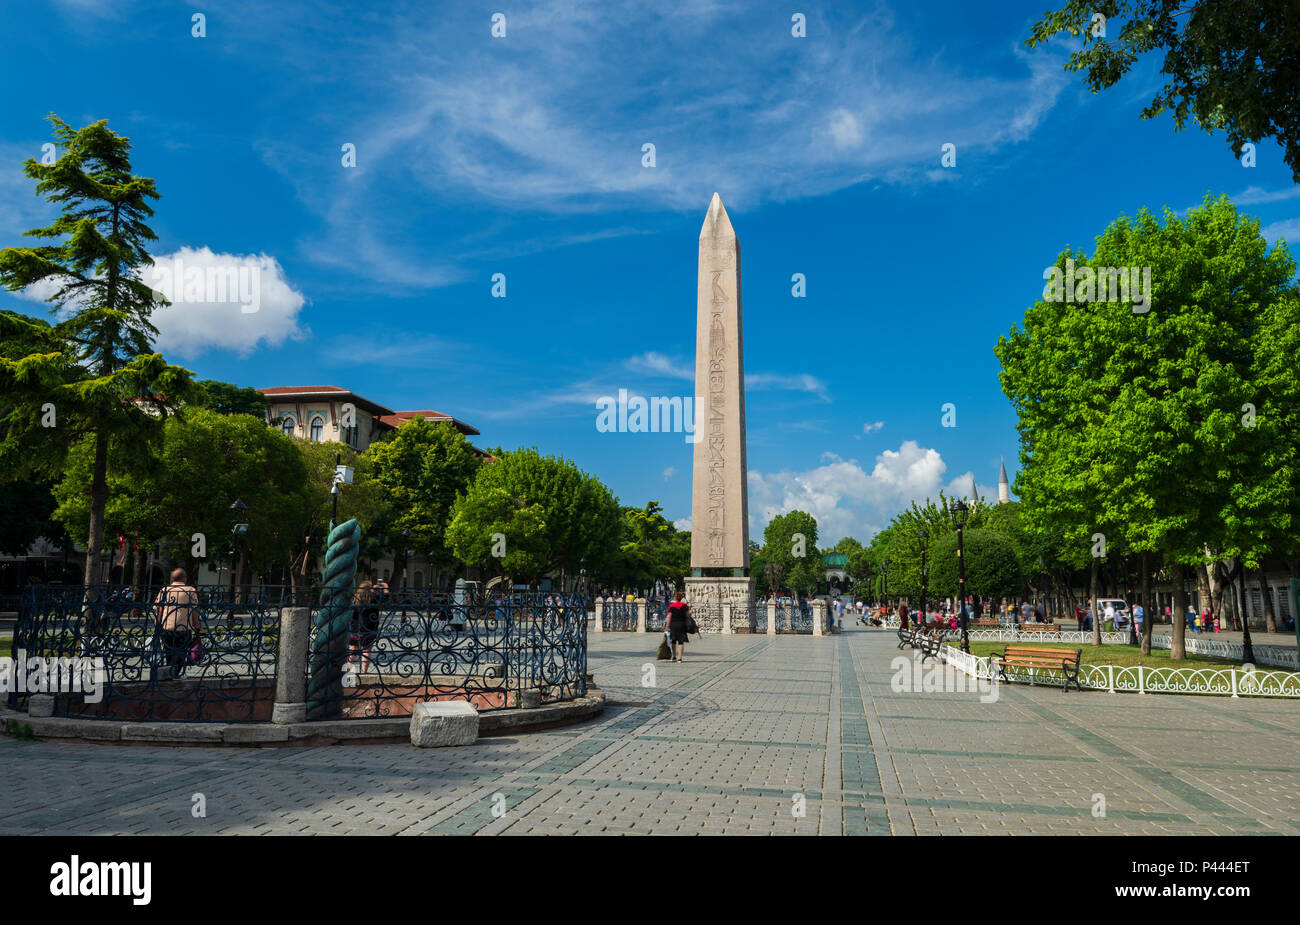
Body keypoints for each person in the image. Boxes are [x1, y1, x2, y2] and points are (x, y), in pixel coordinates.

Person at [153, 568, 200, 679]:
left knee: (168, 652)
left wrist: (157, 623)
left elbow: (158, 608)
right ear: (184, 578)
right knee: (181, 653)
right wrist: (196, 623)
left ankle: (169, 673)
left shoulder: (164, 590)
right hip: (183, 627)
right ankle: (174, 674)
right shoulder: (190, 590)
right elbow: (194, 609)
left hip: (167, 626)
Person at [350, 580, 380, 676]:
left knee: (352, 651)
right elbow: (386, 601)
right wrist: (385, 590)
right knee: (366, 651)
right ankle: (364, 673)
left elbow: (352, 615)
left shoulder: (355, 599)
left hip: (356, 629)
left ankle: (349, 672)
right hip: (370, 629)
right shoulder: (374, 599)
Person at [666, 591, 691, 663]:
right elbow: (687, 616)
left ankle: (674, 656)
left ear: (675, 598)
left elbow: (669, 617)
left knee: (673, 641)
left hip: (673, 625)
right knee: (681, 641)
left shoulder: (672, 606)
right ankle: (679, 658)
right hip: (682, 625)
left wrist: (667, 626)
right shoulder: (685, 606)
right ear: (681, 598)